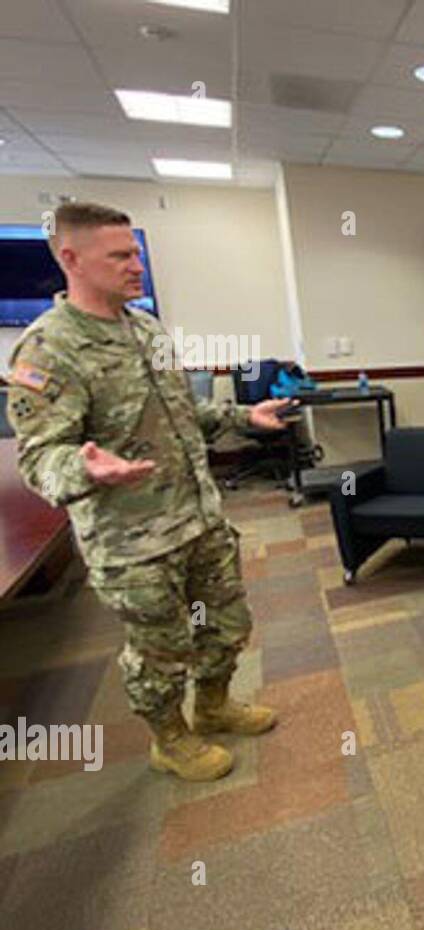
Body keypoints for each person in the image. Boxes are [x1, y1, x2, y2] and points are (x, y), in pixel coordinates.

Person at [4, 202, 293, 782]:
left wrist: (242, 417)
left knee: (225, 624)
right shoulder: (46, 350)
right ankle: (170, 738)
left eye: (135, 252)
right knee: (160, 650)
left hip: (199, 519)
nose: (137, 265)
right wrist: (89, 471)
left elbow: (183, 415)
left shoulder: (147, 329)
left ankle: (213, 706)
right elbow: (38, 458)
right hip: (134, 541)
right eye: (120, 256)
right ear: (71, 259)